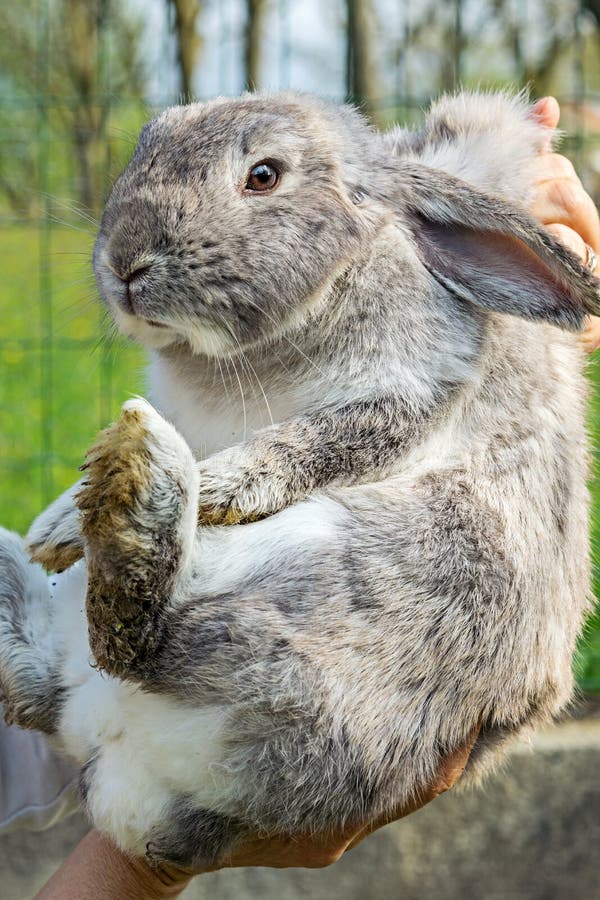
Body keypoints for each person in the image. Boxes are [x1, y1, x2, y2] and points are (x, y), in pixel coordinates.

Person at [16, 96, 600, 899]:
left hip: (358, 661)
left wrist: (507, 203)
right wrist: (142, 864)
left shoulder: (391, 264)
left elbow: (399, 407)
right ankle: (111, 630)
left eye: (261, 178)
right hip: (240, 702)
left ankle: (122, 626)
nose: (128, 258)